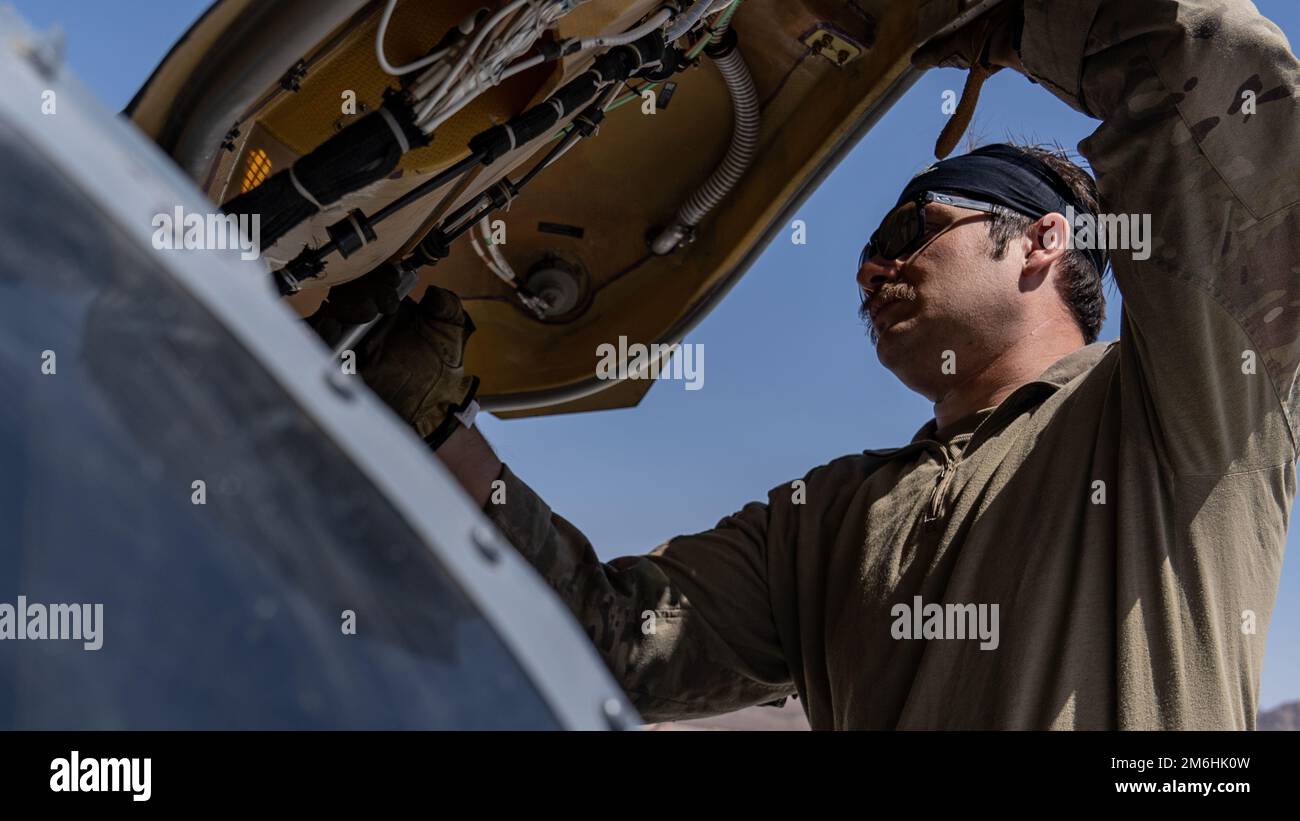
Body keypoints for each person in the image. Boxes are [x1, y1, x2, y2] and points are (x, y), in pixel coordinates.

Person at [312, 0, 1300, 728]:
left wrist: (1021, 19)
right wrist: (433, 424)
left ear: (1039, 241)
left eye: (912, 225)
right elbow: (608, 635)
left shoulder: (1176, 408)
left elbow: (1216, 86)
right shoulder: (828, 516)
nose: (873, 263)